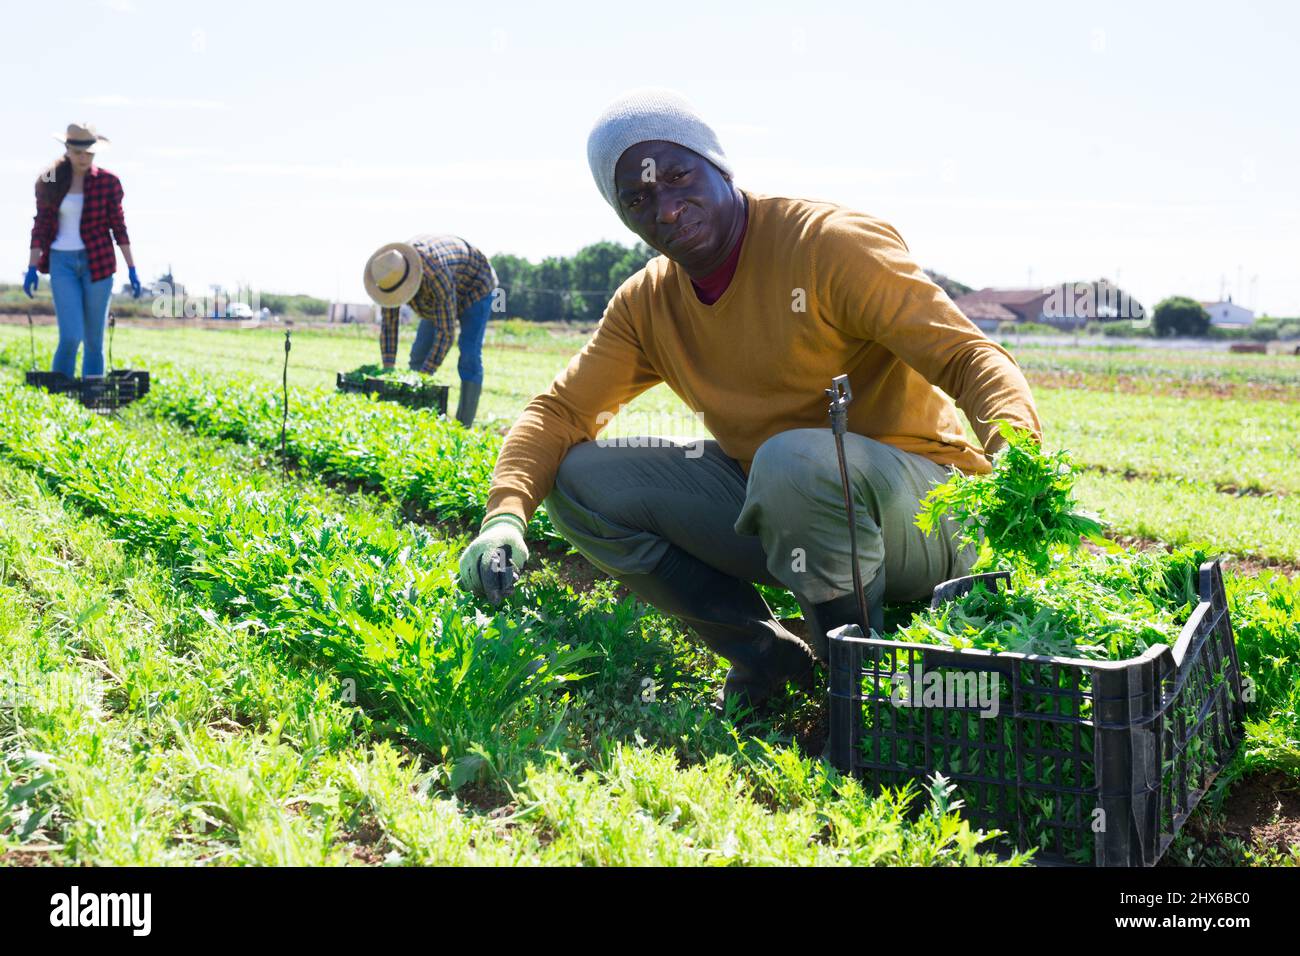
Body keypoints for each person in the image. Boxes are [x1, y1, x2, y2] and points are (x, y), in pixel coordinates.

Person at [458, 89, 1043, 708]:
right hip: (789, 505)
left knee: (792, 462)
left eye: (679, 175)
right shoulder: (647, 303)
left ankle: (862, 696)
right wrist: (503, 515)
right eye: (638, 198)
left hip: (927, 513)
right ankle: (767, 657)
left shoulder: (827, 244)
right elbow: (560, 413)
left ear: (720, 166)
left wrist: (1019, 472)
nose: (667, 207)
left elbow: (968, 356)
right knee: (576, 479)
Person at [25, 123, 142, 378]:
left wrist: (132, 268)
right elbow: (41, 225)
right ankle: (60, 396)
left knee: (93, 340)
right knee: (71, 336)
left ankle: (92, 400)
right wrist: (32, 267)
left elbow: (118, 227)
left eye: (89, 153)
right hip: (61, 262)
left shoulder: (109, 182)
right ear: (67, 149)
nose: (83, 158)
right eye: (78, 152)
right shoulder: (51, 178)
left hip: (98, 262)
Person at [362, 235, 497, 428]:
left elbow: (446, 332)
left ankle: (463, 426)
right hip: (441, 291)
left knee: (469, 354)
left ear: (411, 281)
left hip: (476, 285)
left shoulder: (434, 272)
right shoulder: (390, 275)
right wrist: (388, 370)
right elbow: (389, 328)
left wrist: (422, 377)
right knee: (418, 354)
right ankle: (413, 412)